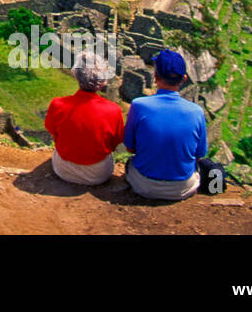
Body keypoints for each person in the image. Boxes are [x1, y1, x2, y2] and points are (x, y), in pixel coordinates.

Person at [122, 49, 208, 201]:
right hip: (182, 188)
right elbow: (200, 155)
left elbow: (130, 148)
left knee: (130, 163)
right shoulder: (197, 112)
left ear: (155, 77)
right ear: (184, 79)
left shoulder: (138, 105)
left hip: (144, 186)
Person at [43, 51, 123, 185]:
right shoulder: (113, 110)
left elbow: (54, 134)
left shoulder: (58, 105)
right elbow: (114, 143)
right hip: (98, 174)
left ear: (76, 74)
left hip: (64, 170)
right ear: (102, 81)